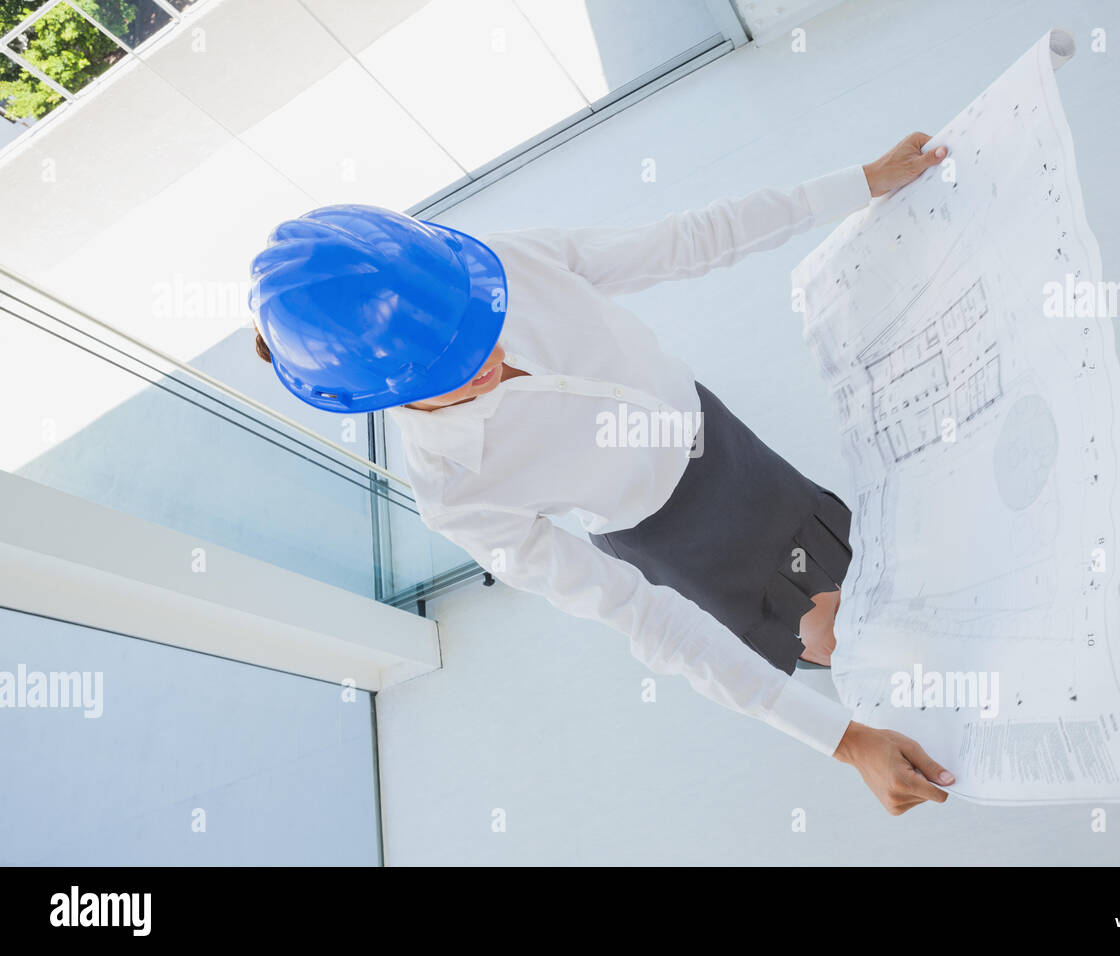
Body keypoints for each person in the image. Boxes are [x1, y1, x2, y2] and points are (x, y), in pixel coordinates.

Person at [249, 133, 955, 815]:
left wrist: (860, 181)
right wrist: (845, 740)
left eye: (476, 321)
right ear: (387, 393)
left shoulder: (503, 266)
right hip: (678, 540)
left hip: (728, 446)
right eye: (451, 367)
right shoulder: (455, 491)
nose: (487, 350)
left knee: (868, 561)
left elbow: (688, 239)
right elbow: (647, 619)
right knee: (840, 638)